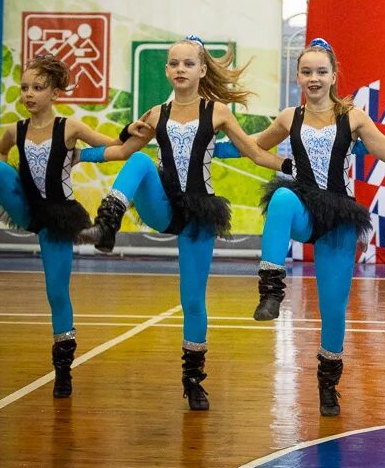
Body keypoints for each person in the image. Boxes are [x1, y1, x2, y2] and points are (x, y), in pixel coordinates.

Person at [79, 36, 285, 411]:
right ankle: (107, 226)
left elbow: (254, 152)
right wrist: (79, 154)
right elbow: (122, 151)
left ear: (202, 70)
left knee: (191, 300)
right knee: (141, 162)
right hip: (163, 205)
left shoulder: (218, 112)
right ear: (166, 70)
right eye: (174, 63)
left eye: (188, 64)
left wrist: (290, 166)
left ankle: (193, 380)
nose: (180, 69)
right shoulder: (156, 114)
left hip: (199, 213)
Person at [243, 37, 385, 416]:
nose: (314, 78)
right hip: (305, 210)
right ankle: (271, 290)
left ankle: (328, 384)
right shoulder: (288, 117)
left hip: (340, 218)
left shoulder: (353, 117)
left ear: (334, 75)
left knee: (333, 308)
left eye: (321, 71)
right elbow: (256, 149)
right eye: (306, 71)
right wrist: (284, 167)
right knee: (280, 198)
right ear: (297, 76)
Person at [0, 54, 150, 397]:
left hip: (59, 217)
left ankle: (63, 370)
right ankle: (13, 194)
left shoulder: (71, 127)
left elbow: (119, 150)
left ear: (55, 93)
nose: (29, 94)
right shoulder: (14, 130)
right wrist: (11, 192)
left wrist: (133, 131)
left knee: (56, 292)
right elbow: (0, 155)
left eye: (38, 87)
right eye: (24, 88)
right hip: (26, 207)